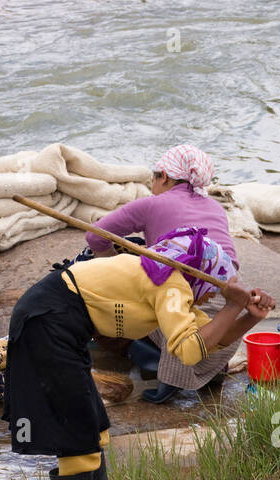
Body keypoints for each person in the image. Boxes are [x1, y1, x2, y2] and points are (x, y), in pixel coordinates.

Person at [2, 228, 275, 480]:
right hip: (47, 322)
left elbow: (207, 337)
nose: (208, 300)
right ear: (204, 278)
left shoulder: (172, 283)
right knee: (75, 430)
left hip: (61, 322)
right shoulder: (171, 283)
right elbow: (189, 352)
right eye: (213, 291)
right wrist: (232, 306)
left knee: (94, 423)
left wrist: (247, 317)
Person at [85, 144, 243, 404]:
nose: (152, 186)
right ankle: (212, 369)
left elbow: (94, 235)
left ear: (165, 177)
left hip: (184, 309)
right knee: (179, 290)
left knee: (117, 309)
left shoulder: (151, 204)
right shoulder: (215, 208)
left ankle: (167, 375)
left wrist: (114, 267)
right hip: (228, 310)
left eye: (154, 178)